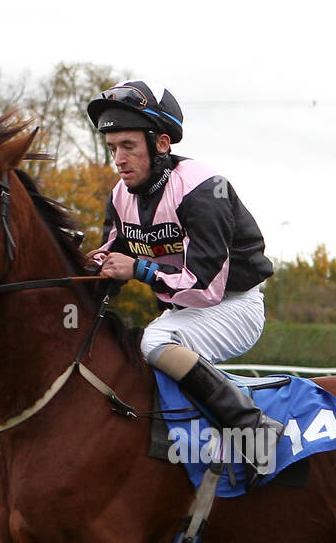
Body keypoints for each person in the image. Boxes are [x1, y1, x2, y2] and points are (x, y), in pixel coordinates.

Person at [85, 81, 281, 489]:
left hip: (233, 306)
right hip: (185, 310)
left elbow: (205, 288)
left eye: (128, 147)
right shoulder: (121, 195)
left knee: (153, 342)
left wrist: (138, 270)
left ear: (160, 143)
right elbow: (107, 256)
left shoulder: (204, 188)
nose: (118, 160)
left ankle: (256, 429)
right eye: (112, 149)